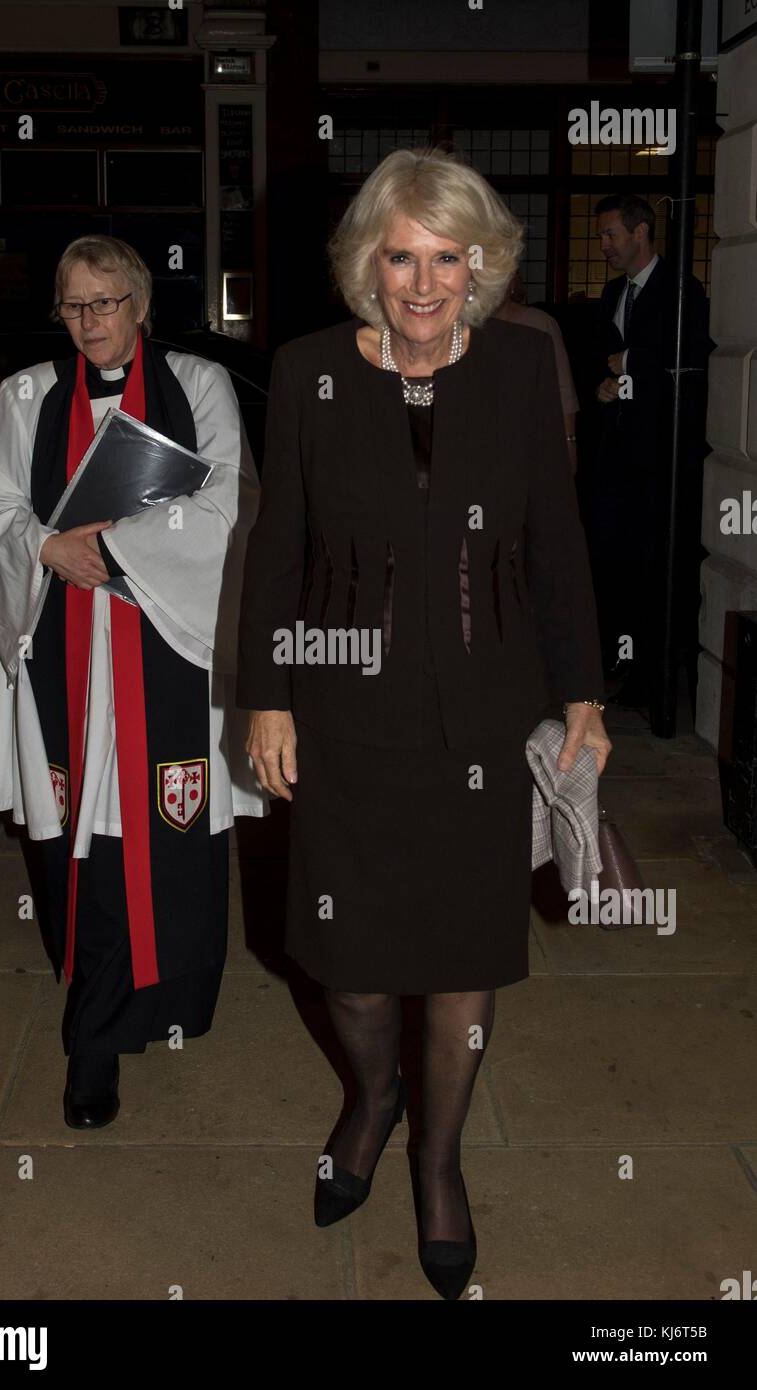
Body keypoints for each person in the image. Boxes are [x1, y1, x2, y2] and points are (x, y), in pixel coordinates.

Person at [236, 148, 611, 1299]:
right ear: (367, 261)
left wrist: (585, 692)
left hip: (482, 719)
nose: (423, 280)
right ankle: (375, 1096)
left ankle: (439, 1167)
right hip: (347, 711)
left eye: (448, 256)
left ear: (483, 263)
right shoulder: (309, 372)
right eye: (401, 254)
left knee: (458, 970)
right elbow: (280, 546)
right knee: (350, 970)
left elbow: (555, 539)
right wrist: (265, 692)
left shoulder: (514, 368)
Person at [0, 235, 265, 1129]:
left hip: (163, 634)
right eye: (72, 304)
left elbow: (225, 502)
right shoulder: (25, 396)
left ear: (140, 304)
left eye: (105, 301)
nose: (89, 321)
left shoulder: (198, 385)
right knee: (81, 832)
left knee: (163, 828)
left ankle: (158, 1003)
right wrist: (47, 548)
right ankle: (93, 1038)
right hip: (62, 638)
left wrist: (116, 551)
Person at [588, 193, 711, 706]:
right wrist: (603, 383)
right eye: (600, 237)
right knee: (616, 561)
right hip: (617, 456)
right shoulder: (612, 291)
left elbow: (690, 360)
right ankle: (624, 663)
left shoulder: (682, 289)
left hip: (662, 460)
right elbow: (598, 355)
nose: (604, 247)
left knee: (657, 564)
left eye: (611, 235)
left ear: (641, 233)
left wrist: (631, 361)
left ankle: (656, 676)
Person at [493, 269, 580, 474]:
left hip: (532, 443)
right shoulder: (463, 326)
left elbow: (563, 390)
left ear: (513, 281)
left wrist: (569, 443)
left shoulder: (540, 323)